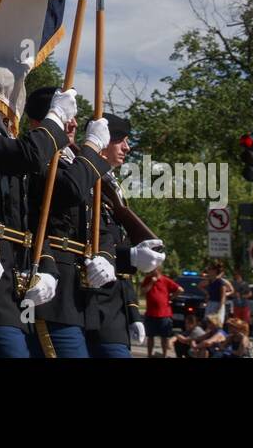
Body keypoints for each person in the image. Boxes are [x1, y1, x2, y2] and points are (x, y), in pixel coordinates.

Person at [0, 87, 77, 358]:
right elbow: (35, 160)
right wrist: (62, 123)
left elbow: (31, 220)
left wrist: (46, 266)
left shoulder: (10, 139)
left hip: (16, 280)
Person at [83, 112, 160, 359]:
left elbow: (119, 246)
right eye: (120, 140)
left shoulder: (112, 187)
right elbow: (83, 243)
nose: (126, 147)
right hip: (87, 301)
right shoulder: (84, 180)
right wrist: (131, 255)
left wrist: (133, 311)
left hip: (114, 309)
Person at [142, 267, 182, 357]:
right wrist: (152, 282)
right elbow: (143, 291)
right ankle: (149, 355)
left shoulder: (166, 280)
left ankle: (164, 355)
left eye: (154, 270)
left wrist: (171, 298)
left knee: (164, 337)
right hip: (151, 313)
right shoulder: (147, 279)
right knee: (150, 336)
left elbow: (180, 289)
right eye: (151, 270)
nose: (152, 271)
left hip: (164, 314)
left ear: (159, 270)